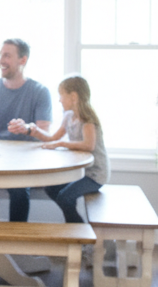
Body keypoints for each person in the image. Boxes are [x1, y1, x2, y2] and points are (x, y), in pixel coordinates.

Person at [0, 38, 52, 222]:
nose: (1, 60)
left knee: (19, 189)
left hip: (25, 159)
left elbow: (45, 134)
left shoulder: (40, 92)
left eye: (7, 55)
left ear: (22, 60)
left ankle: (16, 246)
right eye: (0, 55)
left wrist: (27, 129)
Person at [14, 74, 110, 222]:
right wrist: (32, 130)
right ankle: (72, 225)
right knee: (51, 188)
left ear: (73, 97)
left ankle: (79, 231)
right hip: (80, 172)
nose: (59, 100)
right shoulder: (68, 116)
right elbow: (53, 138)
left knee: (65, 197)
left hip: (94, 175)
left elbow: (88, 145)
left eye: (61, 96)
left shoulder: (87, 120)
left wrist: (62, 144)